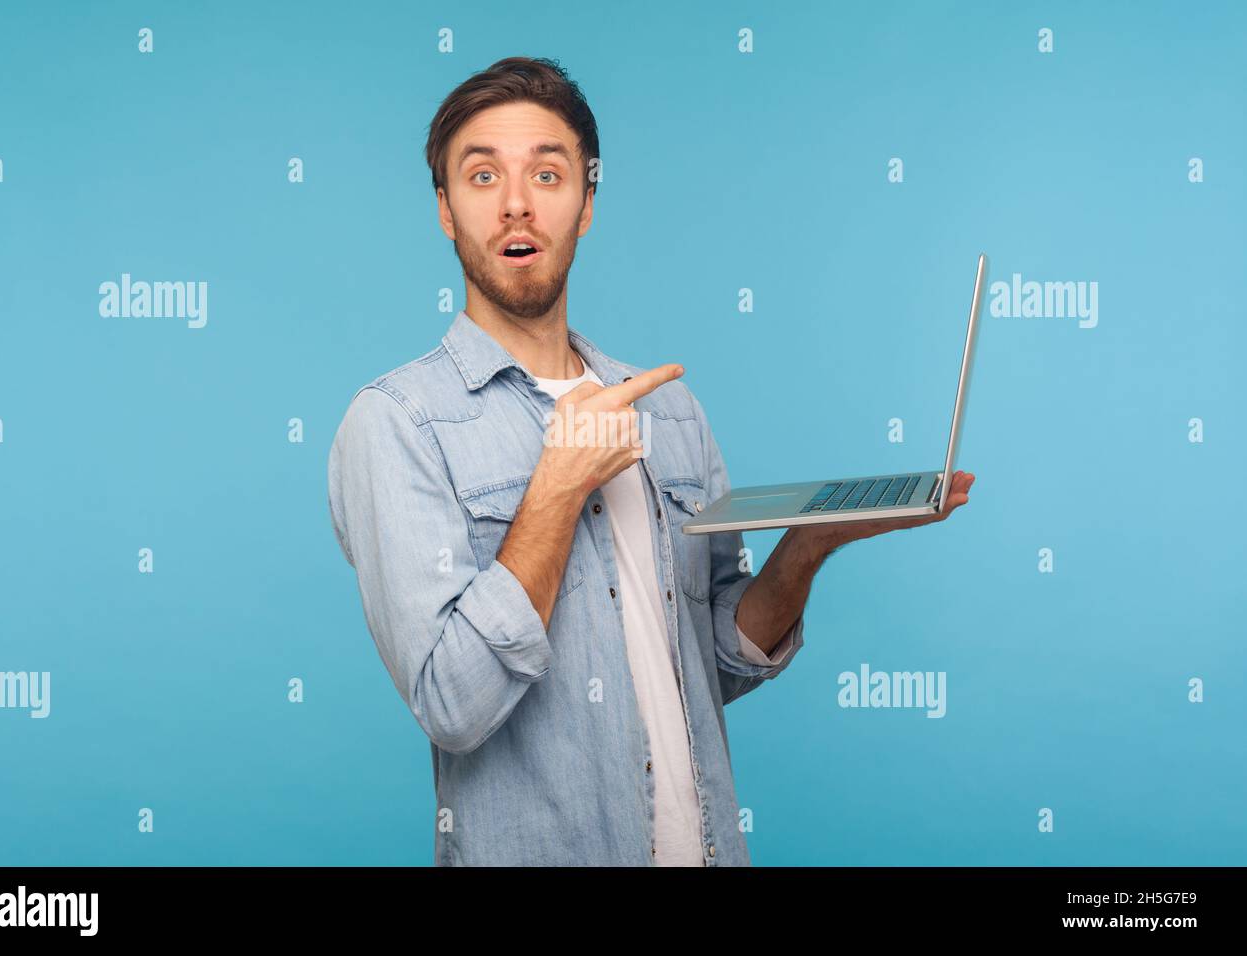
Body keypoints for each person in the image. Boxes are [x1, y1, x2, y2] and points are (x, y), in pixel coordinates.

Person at [327, 56, 974, 866]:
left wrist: (810, 545)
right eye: (482, 174)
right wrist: (556, 487)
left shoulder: (664, 409)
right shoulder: (397, 424)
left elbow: (715, 667)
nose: (517, 203)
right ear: (445, 212)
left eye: (549, 174)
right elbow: (453, 704)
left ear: (587, 204)